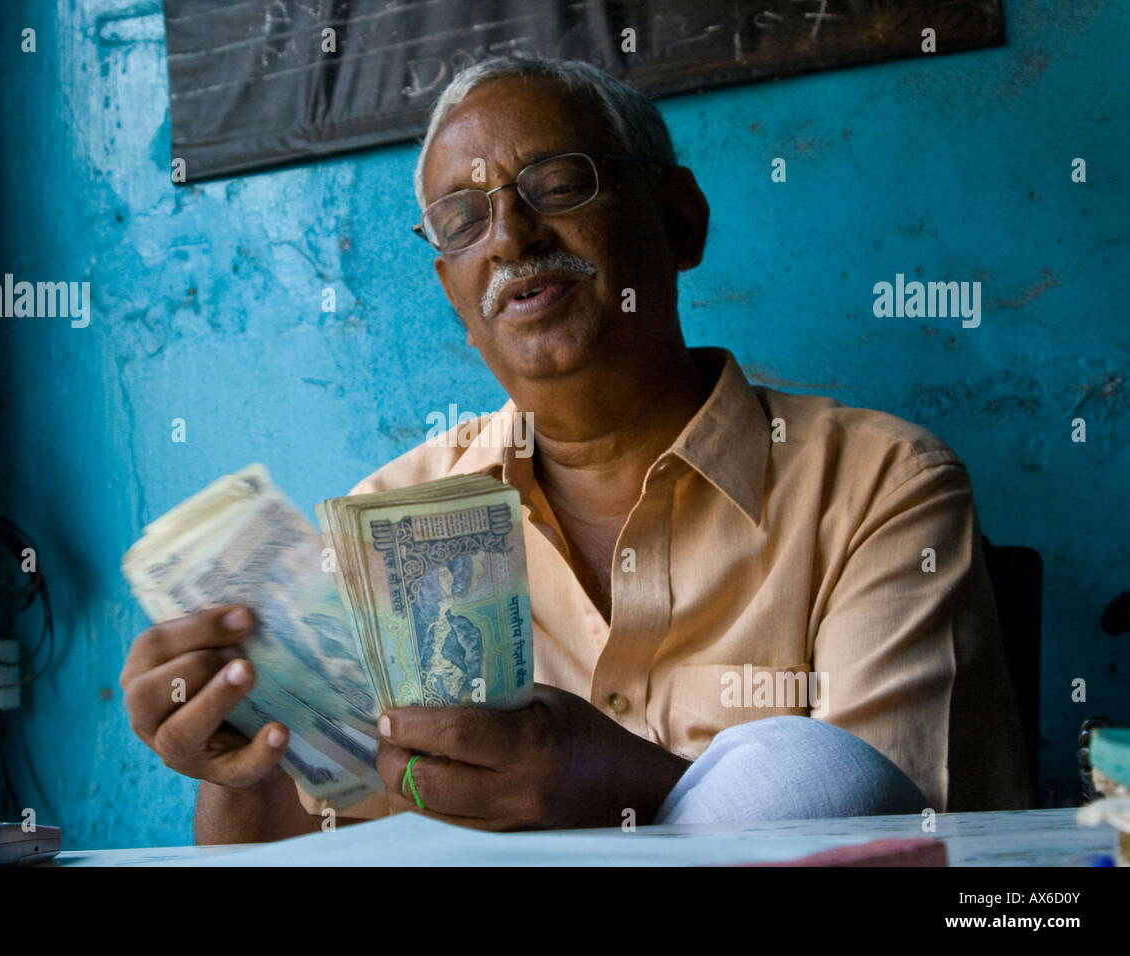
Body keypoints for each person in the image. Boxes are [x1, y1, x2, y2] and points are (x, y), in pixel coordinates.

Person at [120, 54, 1031, 843]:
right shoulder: (390, 523)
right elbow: (287, 847)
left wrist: (627, 790)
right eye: (463, 220)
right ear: (453, 293)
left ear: (679, 220)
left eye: (558, 185)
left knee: (797, 768)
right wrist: (230, 761)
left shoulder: (880, 490)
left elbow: (890, 838)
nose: (511, 237)